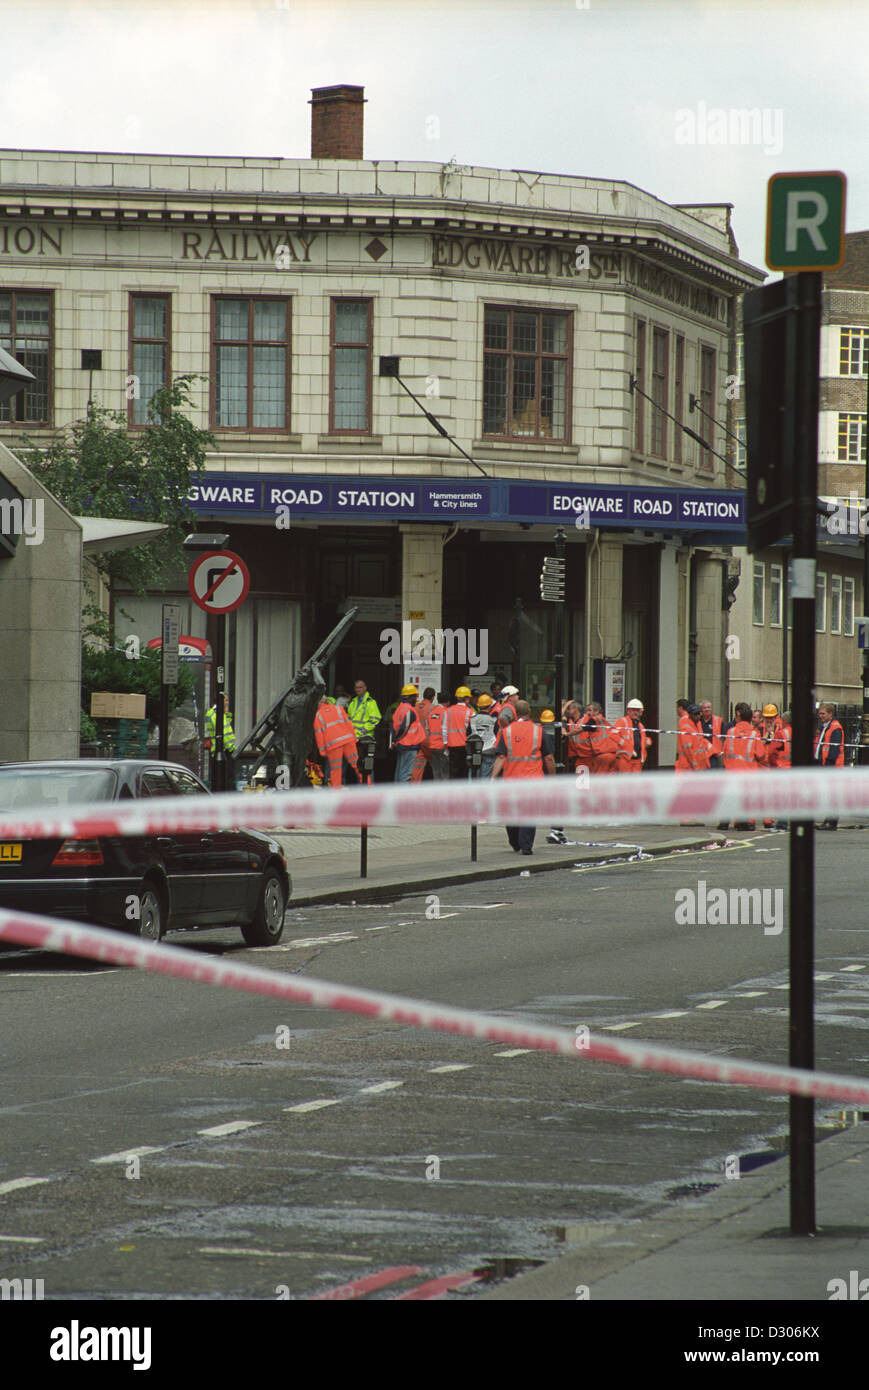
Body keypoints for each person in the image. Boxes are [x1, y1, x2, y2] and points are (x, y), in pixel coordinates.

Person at [491, 698, 556, 854]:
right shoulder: (538, 730)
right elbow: (549, 758)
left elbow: (500, 757)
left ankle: (515, 842)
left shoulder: (506, 732)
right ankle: (526, 846)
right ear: (529, 713)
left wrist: (493, 778)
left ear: (515, 713)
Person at [722, 701, 764, 830]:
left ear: (737, 715)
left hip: (731, 770)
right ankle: (743, 822)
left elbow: (725, 751)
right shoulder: (754, 734)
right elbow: (761, 756)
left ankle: (724, 822)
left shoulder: (730, 732)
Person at [313, 696, 360, 786]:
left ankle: (336, 794)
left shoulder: (318, 715)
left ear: (318, 703)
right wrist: (354, 738)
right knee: (357, 766)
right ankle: (368, 785)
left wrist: (322, 751)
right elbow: (348, 723)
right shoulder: (339, 709)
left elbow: (319, 734)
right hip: (348, 740)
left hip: (333, 745)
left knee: (335, 770)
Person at [815, 702, 845, 830]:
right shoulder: (825, 727)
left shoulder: (835, 728)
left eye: (823, 713)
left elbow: (834, 749)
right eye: (819, 713)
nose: (820, 716)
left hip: (833, 766)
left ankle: (831, 821)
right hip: (826, 765)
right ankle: (829, 820)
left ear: (830, 714)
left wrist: (828, 764)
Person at [392, 684, 426, 782]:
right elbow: (404, 727)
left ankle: (397, 794)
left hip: (403, 744)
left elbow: (395, 726)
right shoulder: (409, 710)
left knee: (399, 772)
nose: (416, 699)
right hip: (409, 745)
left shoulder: (400, 707)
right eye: (415, 696)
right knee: (406, 774)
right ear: (409, 697)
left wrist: (395, 740)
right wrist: (397, 739)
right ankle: (403, 796)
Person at [613, 698, 652, 772]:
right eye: (633, 710)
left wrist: (648, 741)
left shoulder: (640, 725)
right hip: (625, 758)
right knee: (625, 782)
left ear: (641, 712)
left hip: (638, 760)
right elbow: (612, 735)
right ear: (628, 711)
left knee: (636, 783)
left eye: (638, 710)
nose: (636, 712)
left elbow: (640, 739)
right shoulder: (622, 721)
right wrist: (626, 746)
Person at [204, 693, 236, 783]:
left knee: (228, 777)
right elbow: (220, 730)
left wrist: (226, 713)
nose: (227, 702)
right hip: (222, 748)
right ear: (220, 701)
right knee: (222, 778)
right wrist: (230, 747)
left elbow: (227, 725)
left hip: (227, 748)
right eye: (226, 700)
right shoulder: (213, 713)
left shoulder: (220, 712)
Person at [410, 686, 436, 783]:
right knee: (436, 763)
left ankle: (414, 786)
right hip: (428, 739)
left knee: (418, 765)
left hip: (417, 739)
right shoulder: (433, 708)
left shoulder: (415, 707)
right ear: (433, 697)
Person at [675, 700, 710, 773]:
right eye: (695, 714)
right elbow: (688, 749)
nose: (698, 716)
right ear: (690, 715)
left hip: (698, 765)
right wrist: (695, 766)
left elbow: (701, 743)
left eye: (698, 713)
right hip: (687, 767)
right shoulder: (686, 728)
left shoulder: (698, 725)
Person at [446, 686, 473, 778]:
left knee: (453, 772)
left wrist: (445, 744)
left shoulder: (448, 711)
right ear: (466, 699)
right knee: (464, 772)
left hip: (451, 745)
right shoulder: (470, 712)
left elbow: (444, 729)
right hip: (464, 745)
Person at [470, 692, 498, 779]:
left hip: (476, 752)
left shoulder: (472, 719)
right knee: (486, 778)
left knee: (475, 776)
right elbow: (497, 734)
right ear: (489, 706)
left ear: (478, 706)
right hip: (489, 751)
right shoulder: (493, 720)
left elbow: (469, 734)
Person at [426, 691, 450, 781]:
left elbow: (428, 728)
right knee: (445, 771)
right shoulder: (445, 712)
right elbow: (445, 729)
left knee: (436, 771)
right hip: (441, 746)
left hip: (432, 745)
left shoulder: (432, 712)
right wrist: (446, 745)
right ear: (447, 701)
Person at [698, 699, 724, 769]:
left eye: (708, 707)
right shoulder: (697, 721)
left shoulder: (718, 720)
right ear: (701, 710)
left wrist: (721, 751)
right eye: (704, 708)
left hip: (713, 755)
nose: (707, 709)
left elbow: (724, 737)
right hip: (701, 754)